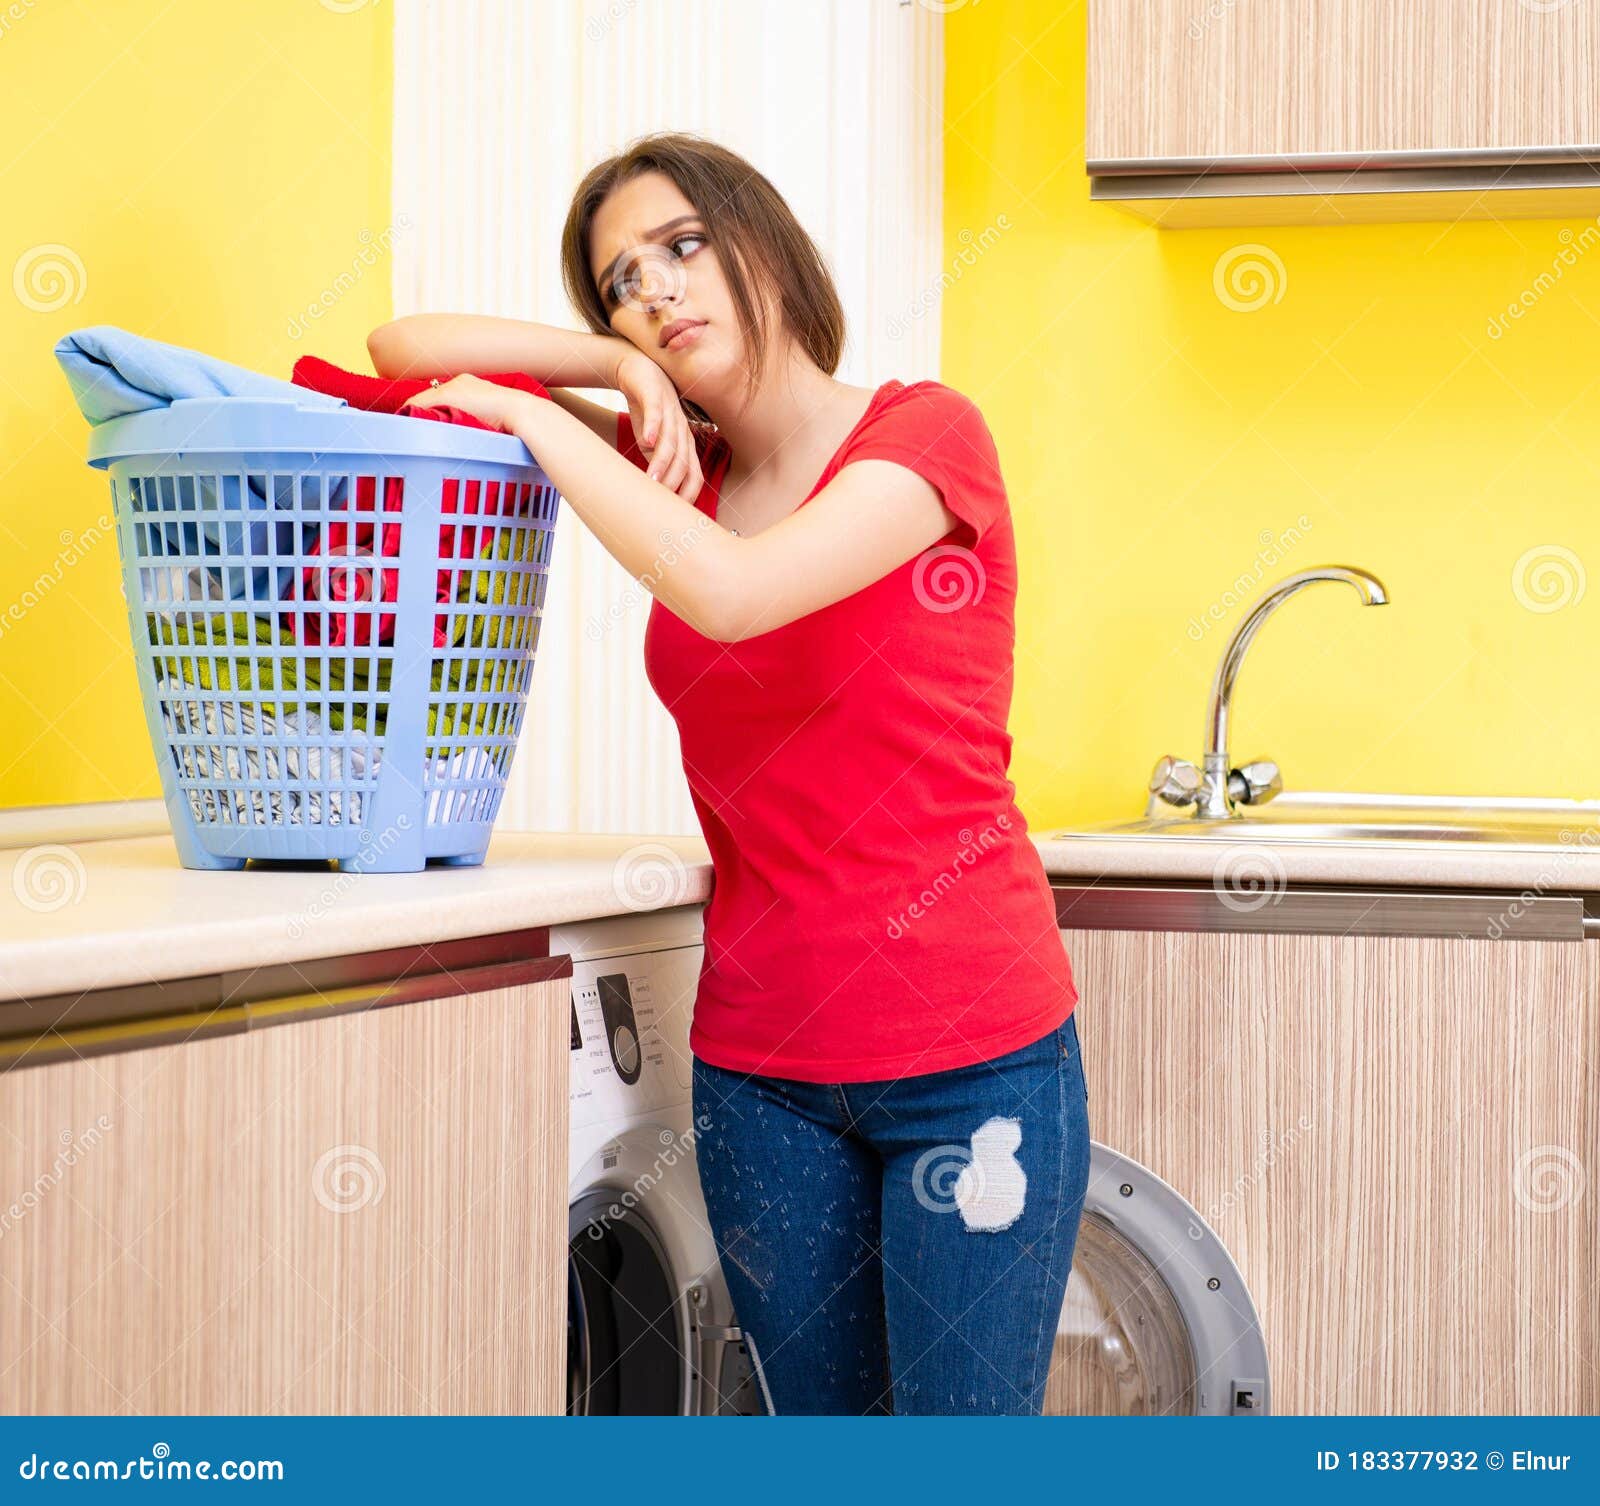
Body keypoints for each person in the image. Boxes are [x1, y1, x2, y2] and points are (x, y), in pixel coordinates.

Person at [372, 130, 1089, 1416]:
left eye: (682, 246)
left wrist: (536, 415)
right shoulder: (678, 471)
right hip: (764, 1067)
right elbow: (401, 350)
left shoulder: (926, 436)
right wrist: (603, 366)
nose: (654, 289)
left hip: (970, 1051)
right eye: (619, 279)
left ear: (761, 240)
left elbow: (736, 593)